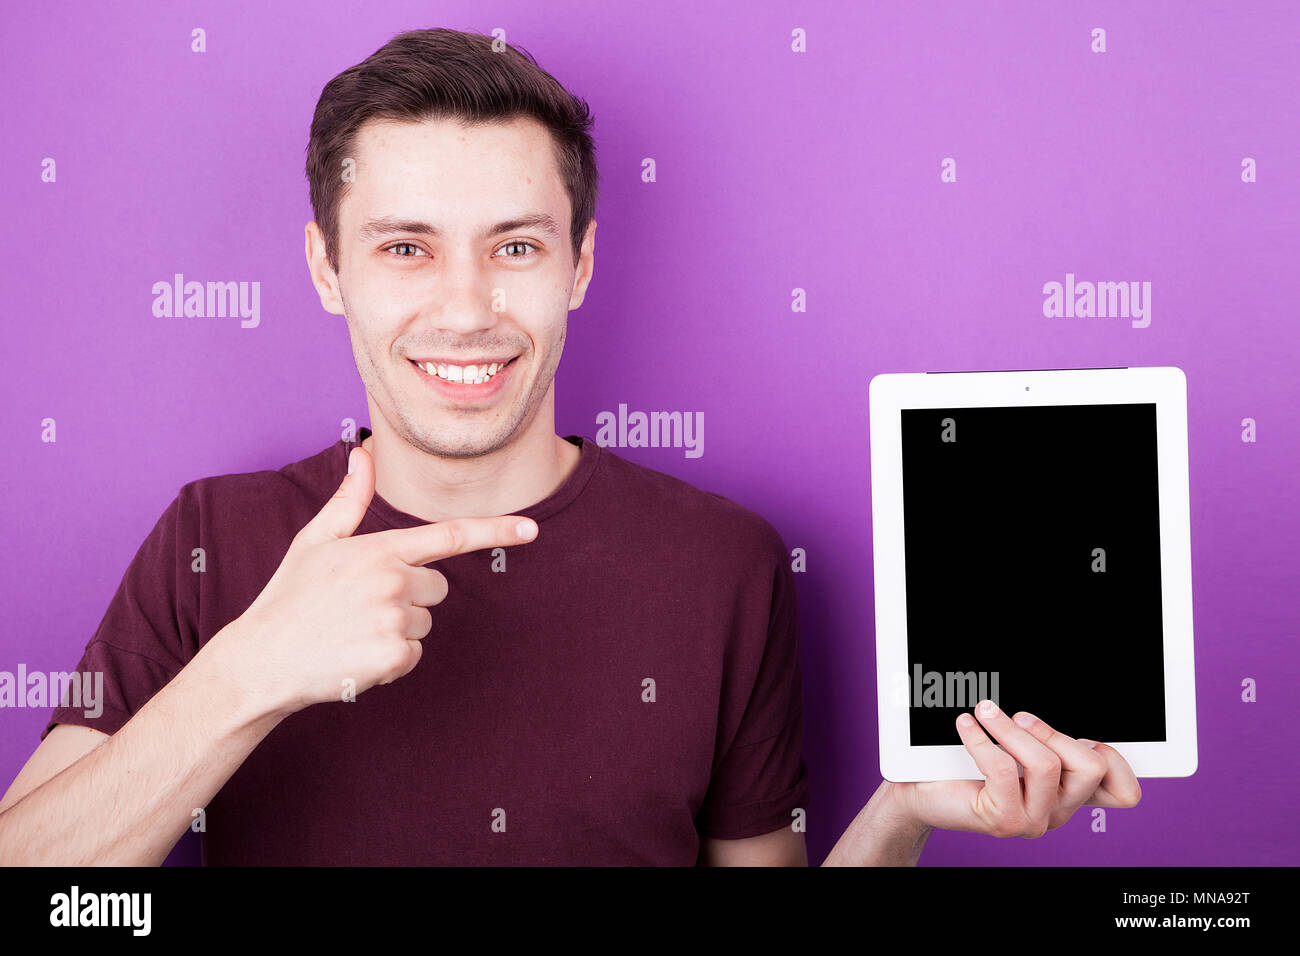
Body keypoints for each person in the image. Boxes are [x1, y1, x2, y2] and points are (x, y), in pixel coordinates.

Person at [0, 28, 1139, 866]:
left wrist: (900, 814)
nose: (465, 307)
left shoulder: (724, 563)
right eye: (404, 247)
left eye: (515, 245)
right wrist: (248, 673)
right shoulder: (213, 536)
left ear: (579, 264)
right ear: (324, 268)